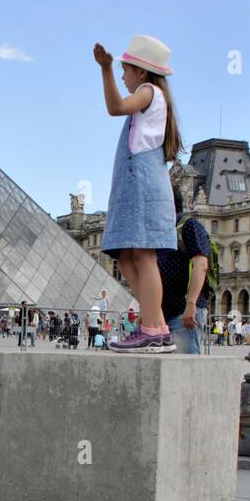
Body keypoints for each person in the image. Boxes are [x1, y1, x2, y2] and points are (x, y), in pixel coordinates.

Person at [94, 35, 182, 353]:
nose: (122, 75)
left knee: (143, 257)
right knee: (127, 257)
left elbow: (115, 107)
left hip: (141, 188)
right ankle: (156, 326)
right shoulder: (155, 98)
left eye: (125, 70)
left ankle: (150, 330)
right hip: (134, 187)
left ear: (142, 72)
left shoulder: (148, 92)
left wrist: (103, 69)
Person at [158, 188, 212, 354]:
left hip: (184, 313)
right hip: (163, 313)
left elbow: (201, 264)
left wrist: (191, 304)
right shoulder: (162, 231)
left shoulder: (189, 225)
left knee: (183, 368)